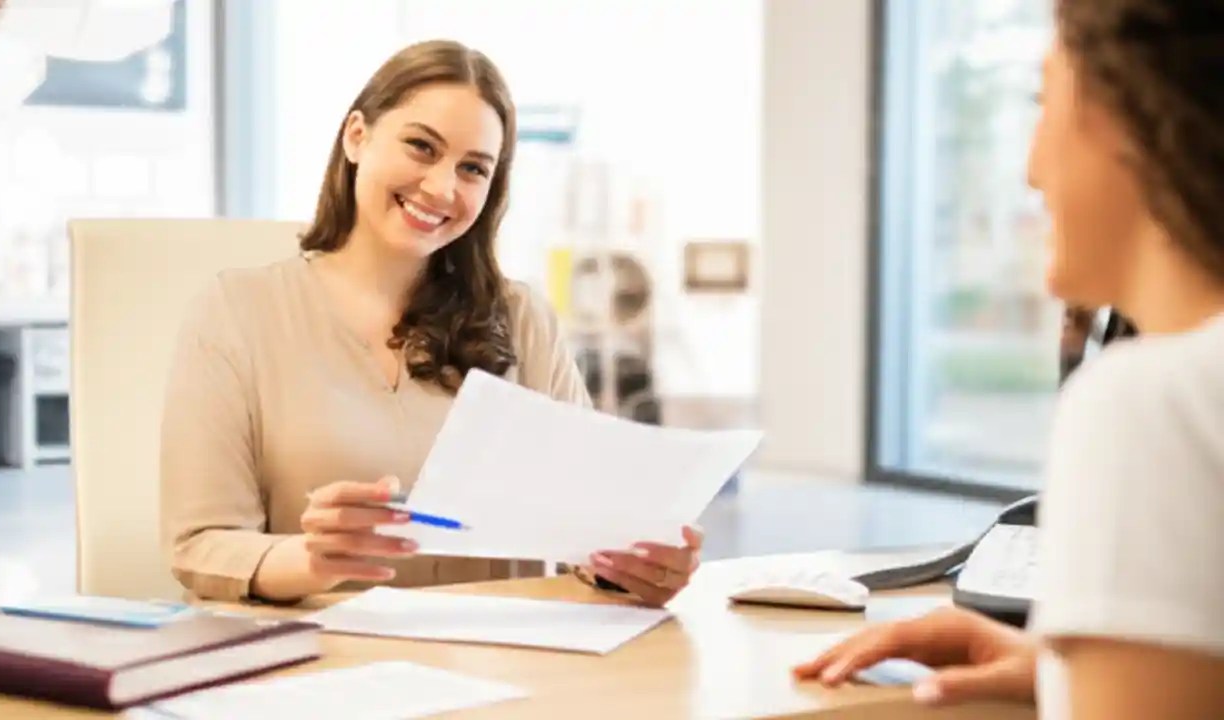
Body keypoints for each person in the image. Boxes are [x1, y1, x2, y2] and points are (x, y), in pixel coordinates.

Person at [159, 39, 702, 608]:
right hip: (322, 664)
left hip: (514, 667)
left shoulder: (521, 318)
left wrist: (635, 564)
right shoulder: (238, 310)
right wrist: (311, 559)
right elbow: (199, 545)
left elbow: (587, 533)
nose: (442, 188)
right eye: (421, 147)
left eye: (473, 169)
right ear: (356, 136)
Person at [795, 0, 1224, 717]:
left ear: (1120, 115)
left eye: (1043, 102)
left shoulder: (1154, 402)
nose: (1030, 170)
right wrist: (1063, 672)